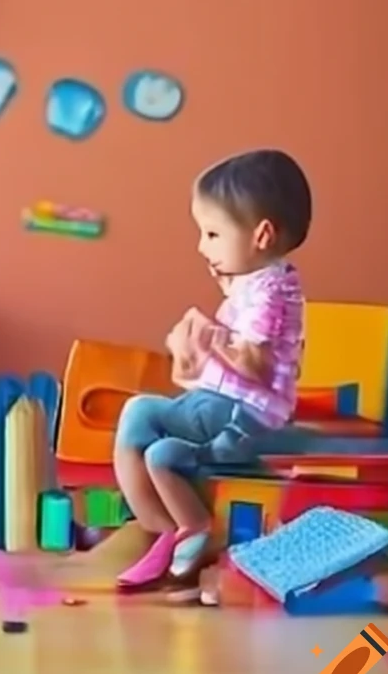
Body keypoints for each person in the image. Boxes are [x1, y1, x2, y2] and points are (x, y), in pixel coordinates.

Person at [113, 149, 312, 589]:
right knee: (146, 426)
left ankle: (176, 530)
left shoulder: (271, 293)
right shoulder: (258, 282)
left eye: (213, 234)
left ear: (261, 236)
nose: (202, 247)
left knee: (145, 424)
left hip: (245, 416)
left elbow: (256, 367)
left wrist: (209, 338)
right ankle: (170, 530)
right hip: (227, 403)